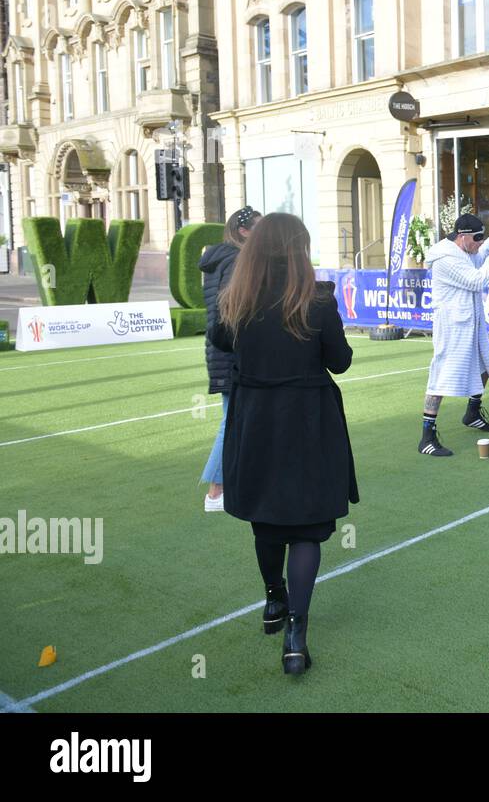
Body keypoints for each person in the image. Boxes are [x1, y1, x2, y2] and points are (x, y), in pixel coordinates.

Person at [208, 213, 356, 676]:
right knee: (307, 529)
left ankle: (275, 602)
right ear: (298, 249)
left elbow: (219, 339)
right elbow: (341, 361)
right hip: (308, 422)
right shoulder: (315, 300)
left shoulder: (239, 299)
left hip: (257, 422)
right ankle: (295, 630)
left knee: (267, 520)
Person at [420, 213, 489, 456]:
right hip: (452, 326)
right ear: (462, 237)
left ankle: (473, 412)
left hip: (470, 322)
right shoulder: (445, 259)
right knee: (441, 375)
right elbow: (476, 280)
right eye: (477, 239)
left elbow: (478, 256)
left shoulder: (464, 251)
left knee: (485, 364)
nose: (478, 244)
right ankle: (427, 435)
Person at [198, 206, 260, 512]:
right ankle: (216, 490)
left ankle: (227, 484)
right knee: (231, 420)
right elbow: (232, 309)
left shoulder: (221, 260)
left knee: (236, 418)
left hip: (222, 349)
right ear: (244, 232)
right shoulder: (237, 261)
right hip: (231, 351)